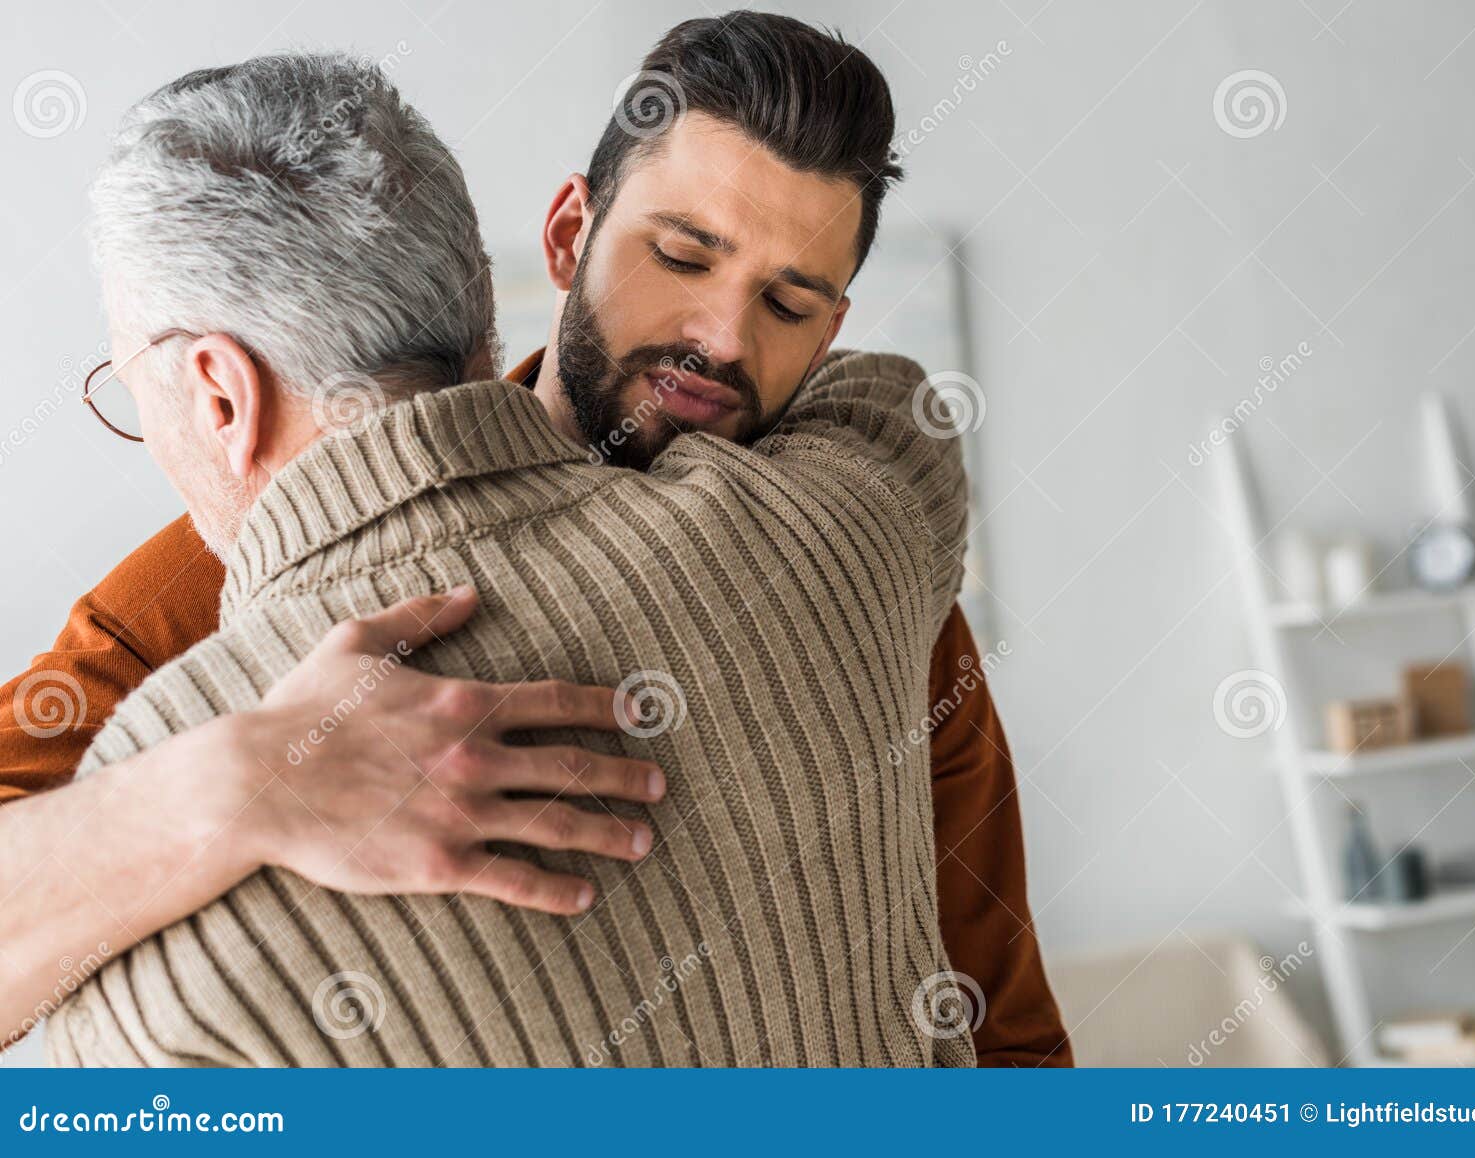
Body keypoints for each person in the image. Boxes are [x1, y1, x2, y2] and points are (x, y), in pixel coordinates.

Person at [0, 12, 1068, 1066]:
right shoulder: (188, 603)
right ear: (567, 237)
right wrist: (234, 782)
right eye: (681, 257)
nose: (721, 341)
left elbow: (999, 1018)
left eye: (786, 304)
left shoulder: (844, 568)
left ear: (830, 329)